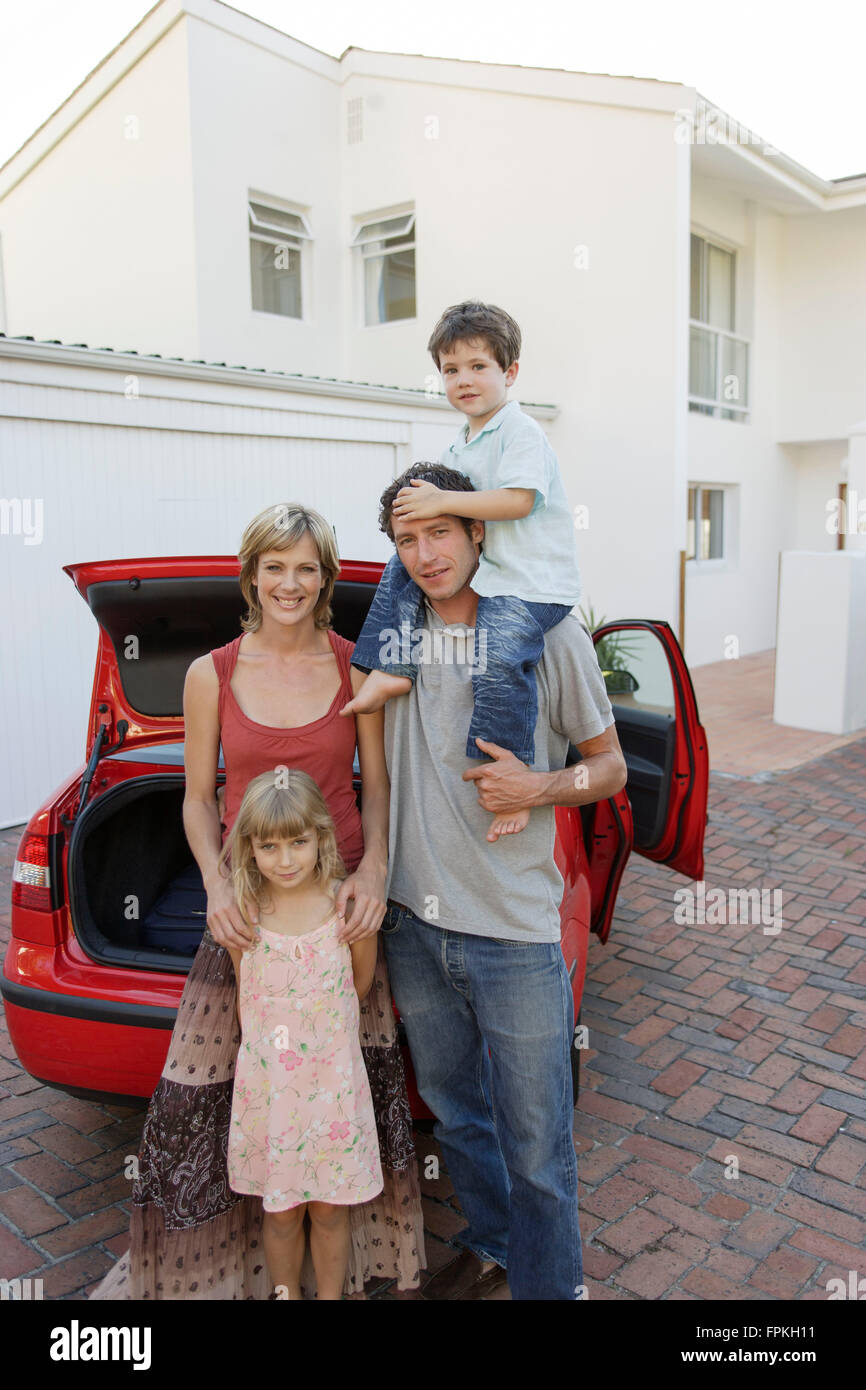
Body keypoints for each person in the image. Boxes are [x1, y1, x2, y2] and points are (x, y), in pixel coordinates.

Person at [91, 503, 424, 1301]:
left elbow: (375, 786)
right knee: (206, 1101)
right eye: (275, 566)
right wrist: (213, 884)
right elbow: (198, 799)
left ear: (326, 579)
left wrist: (373, 871)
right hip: (246, 914)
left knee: (348, 1097)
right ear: (252, 574)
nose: (290, 582)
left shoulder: (356, 669)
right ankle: (237, 1273)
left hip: (340, 917)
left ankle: (345, 1278)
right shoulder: (211, 673)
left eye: (306, 567)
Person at [371, 462, 627, 1301]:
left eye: (439, 530)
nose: (425, 553)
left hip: (514, 935)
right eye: (407, 540)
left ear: (479, 530)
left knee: (537, 1145)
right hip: (413, 925)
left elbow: (612, 769)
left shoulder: (545, 637)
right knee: (458, 1116)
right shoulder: (394, 644)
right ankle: (491, 1246)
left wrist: (540, 788)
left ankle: (552, 1289)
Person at [343, 301, 582, 842]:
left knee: (496, 658)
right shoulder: (461, 443)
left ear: (510, 373)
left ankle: (509, 774)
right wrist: (420, 510)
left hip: (533, 586)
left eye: (478, 366)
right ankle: (389, 666)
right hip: (498, 577)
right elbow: (449, 507)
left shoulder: (520, 432)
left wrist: (442, 500)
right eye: (451, 370)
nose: (463, 380)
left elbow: (520, 500)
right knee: (397, 568)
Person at [223, 770, 383, 1300]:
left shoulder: (346, 909)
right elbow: (247, 995)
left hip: (331, 1094)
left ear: (321, 836)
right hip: (271, 1098)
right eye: (269, 846)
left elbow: (357, 986)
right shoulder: (245, 915)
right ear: (250, 847)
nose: (286, 859)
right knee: (283, 1214)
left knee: (331, 1212)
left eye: (298, 842)